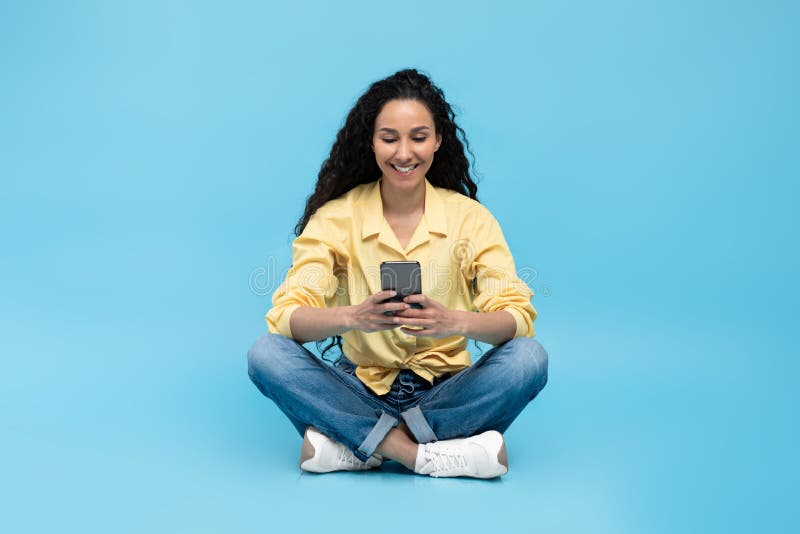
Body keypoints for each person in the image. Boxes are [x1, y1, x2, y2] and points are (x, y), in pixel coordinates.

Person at [247, 69, 548, 479]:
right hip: (361, 389)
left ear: (438, 139)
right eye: (389, 138)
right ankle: (419, 453)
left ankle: (358, 445)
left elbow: (516, 319)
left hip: (445, 391)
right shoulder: (338, 217)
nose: (404, 153)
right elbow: (288, 318)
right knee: (265, 354)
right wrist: (354, 316)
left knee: (529, 358)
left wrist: (452, 321)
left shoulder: (470, 219)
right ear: (370, 142)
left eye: (418, 137)